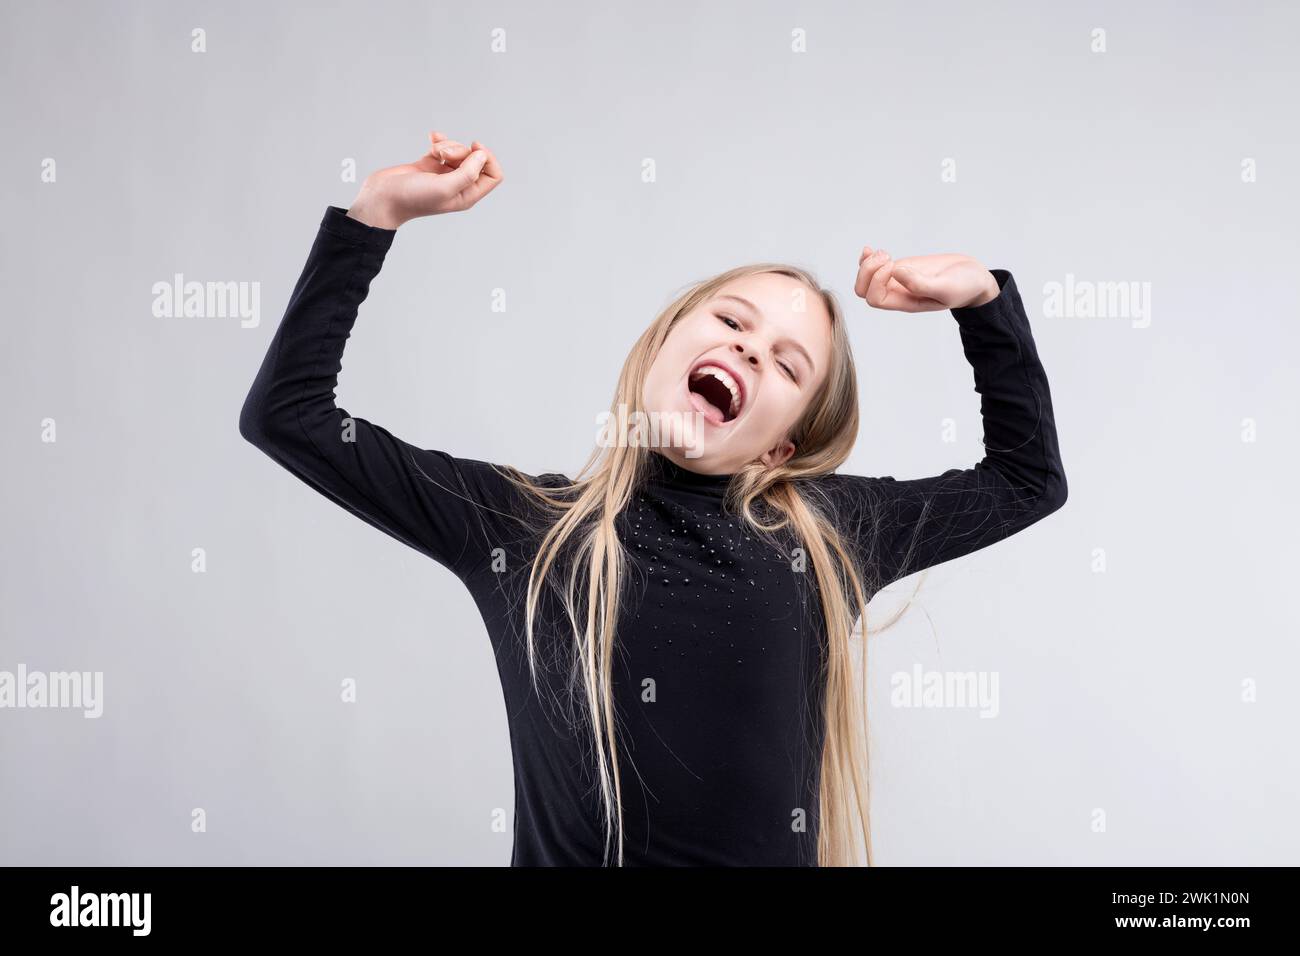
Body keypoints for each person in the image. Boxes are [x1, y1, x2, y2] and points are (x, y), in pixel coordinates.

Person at [239, 129, 1068, 866]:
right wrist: (377, 211)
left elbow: (1027, 480)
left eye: (786, 364)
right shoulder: (526, 526)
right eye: (731, 323)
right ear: (665, 341)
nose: (747, 351)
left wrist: (982, 303)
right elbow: (291, 415)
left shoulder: (826, 536)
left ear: (783, 446)